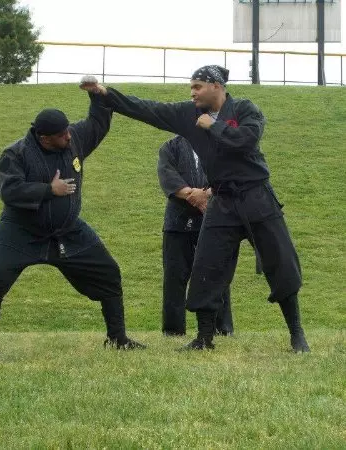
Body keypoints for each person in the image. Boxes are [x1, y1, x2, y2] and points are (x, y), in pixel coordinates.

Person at [80, 66, 310, 353]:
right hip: (222, 202)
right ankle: (204, 338)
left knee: (281, 262)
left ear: (216, 86)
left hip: (257, 197)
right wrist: (106, 94)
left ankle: (297, 335)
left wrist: (212, 126)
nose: (192, 92)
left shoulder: (244, 109)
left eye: (197, 86)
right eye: (191, 87)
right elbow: (149, 109)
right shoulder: (189, 114)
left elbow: (247, 140)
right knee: (207, 265)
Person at [0, 86, 146, 357]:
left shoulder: (72, 139)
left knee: (109, 273)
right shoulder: (15, 154)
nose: (68, 136)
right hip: (21, 232)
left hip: (68, 231)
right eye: (61, 135)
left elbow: (97, 124)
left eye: (67, 131)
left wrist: (97, 96)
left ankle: (118, 338)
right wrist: (48, 190)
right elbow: (9, 190)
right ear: (43, 138)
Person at [158, 135, 233, 337]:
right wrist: (194, 195)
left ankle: (222, 328)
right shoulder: (170, 148)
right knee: (174, 277)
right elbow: (167, 177)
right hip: (176, 223)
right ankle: (173, 331)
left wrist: (205, 194)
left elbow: (226, 176)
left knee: (217, 275)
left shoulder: (218, 146)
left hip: (211, 221)